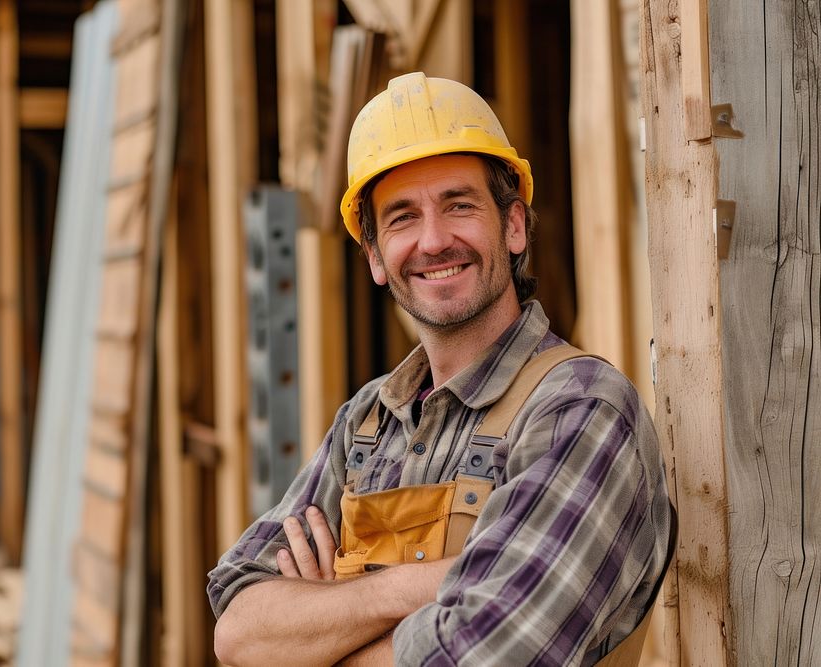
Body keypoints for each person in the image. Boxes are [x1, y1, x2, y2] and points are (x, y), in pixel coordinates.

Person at [208, 72, 673, 666]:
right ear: (375, 257)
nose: (432, 241)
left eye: (459, 205)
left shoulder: (580, 410)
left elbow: (487, 655)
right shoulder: (367, 424)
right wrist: (413, 588)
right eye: (402, 217)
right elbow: (238, 632)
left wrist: (319, 629)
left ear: (513, 226)